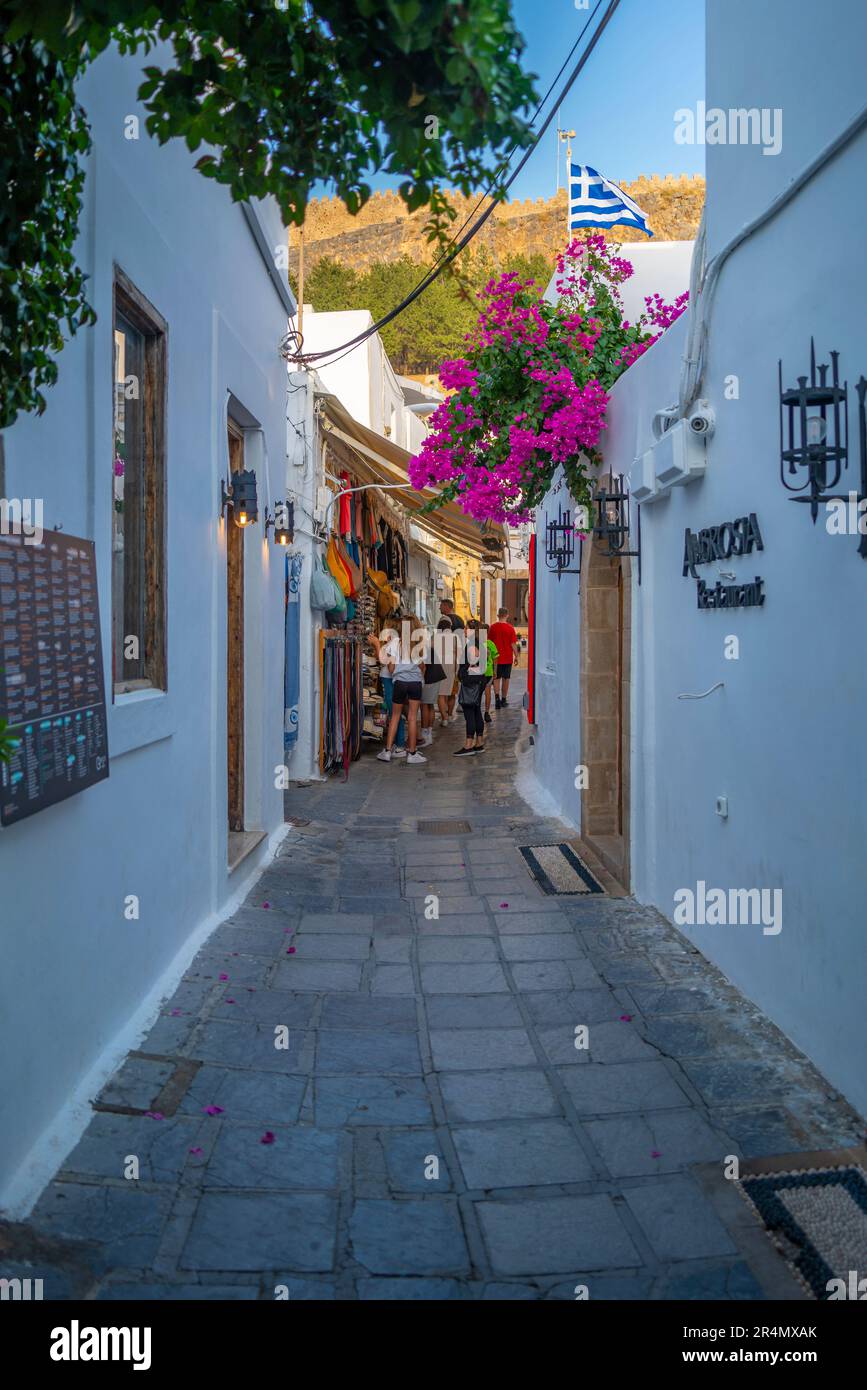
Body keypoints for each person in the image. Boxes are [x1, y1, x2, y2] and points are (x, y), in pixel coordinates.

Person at [376, 617, 427, 764]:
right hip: (415, 683)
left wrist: (399, 673)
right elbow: (422, 667)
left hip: (399, 683)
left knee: (395, 716)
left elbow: (391, 668)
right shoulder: (420, 644)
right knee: (412, 717)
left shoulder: (394, 643)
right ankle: (412, 753)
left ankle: (387, 751)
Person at [453, 620, 495, 756]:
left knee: (469, 712)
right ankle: (479, 742)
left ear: (472, 630)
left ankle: (468, 744)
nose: (464, 630)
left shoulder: (473, 644)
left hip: (471, 683)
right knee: (476, 711)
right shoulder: (479, 643)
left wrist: (465, 674)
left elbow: (476, 664)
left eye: (466, 628)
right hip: (477, 682)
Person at [439, 598, 466, 719]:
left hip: (446, 659)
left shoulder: (444, 620)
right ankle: (449, 714)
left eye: (441, 606)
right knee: (453, 689)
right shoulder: (460, 619)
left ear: (446, 606)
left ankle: (444, 715)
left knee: (443, 690)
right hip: (457, 659)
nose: (439, 608)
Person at [488, 607, 519, 708]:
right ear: (507, 615)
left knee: (496, 678)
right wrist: (516, 656)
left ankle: (497, 699)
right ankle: (503, 700)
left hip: (495, 658)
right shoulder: (510, 628)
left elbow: (489, 643)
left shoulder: (492, 627)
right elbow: (513, 644)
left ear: (498, 615)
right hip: (507, 658)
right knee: (506, 679)